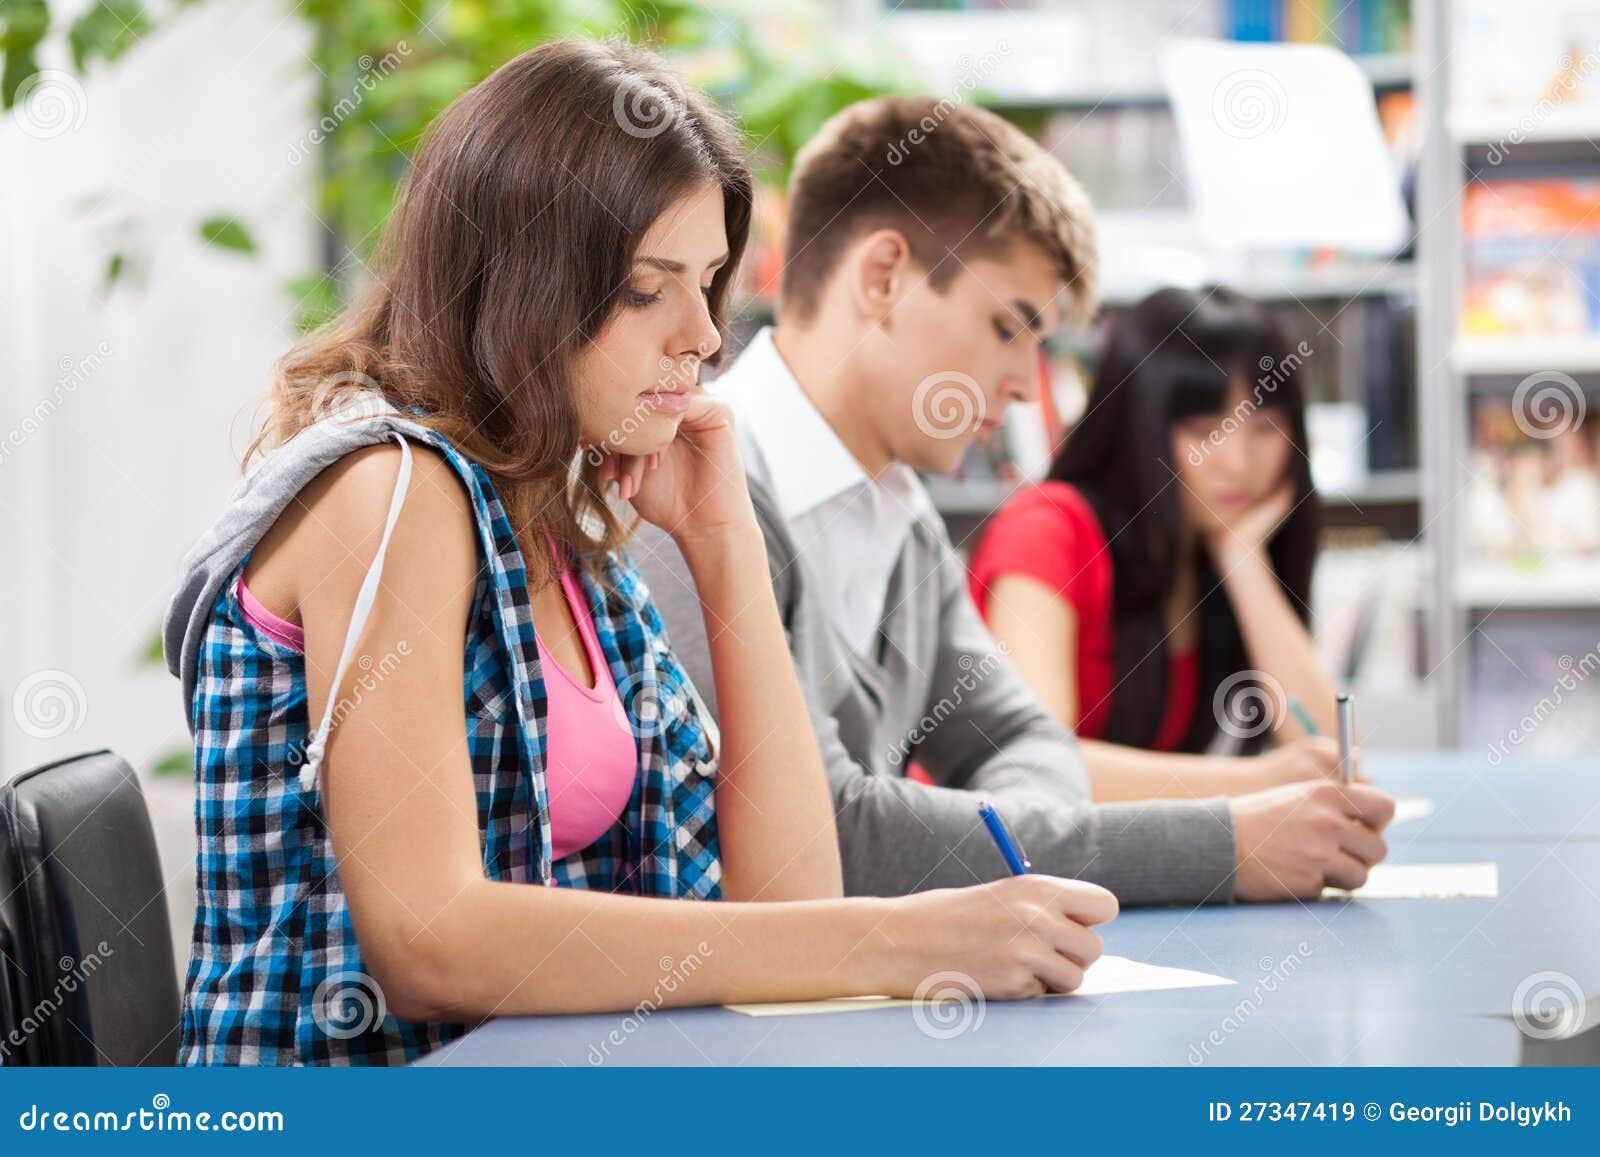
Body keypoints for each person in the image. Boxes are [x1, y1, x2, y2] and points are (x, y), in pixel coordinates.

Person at [162, 43, 1116, 1066]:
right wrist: (901, 938)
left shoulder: (565, 514)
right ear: (523, 284)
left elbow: (788, 895)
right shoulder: (393, 487)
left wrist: (725, 545)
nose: (703, 333)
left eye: (707, 284)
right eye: (645, 290)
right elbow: (427, 940)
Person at [631, 96, 1394, 908]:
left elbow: (1029, 740)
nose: (1023, 388)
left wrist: (1006, 830)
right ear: (883, 278)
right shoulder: (689, 498)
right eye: (1007, 328)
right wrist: (1220, 846)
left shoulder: (901, 512)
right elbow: (828, 836)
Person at [972, 287, 1350, 802]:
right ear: (1137, 429)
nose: (1237, 462)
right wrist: (1261, 784)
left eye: (1265, 428)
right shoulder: (1047, 528)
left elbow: (1330, 754)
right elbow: (1035, 767)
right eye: (1202, 429)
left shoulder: (1207, 549)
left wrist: (1243, 560)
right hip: (977, 869)